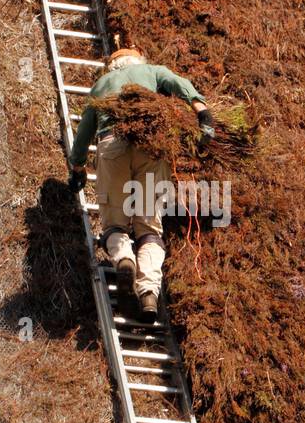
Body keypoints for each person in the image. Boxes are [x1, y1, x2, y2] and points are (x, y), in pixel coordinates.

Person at [67, 47, 214, 321]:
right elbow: (179, 85)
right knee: (149, 227)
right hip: (150, 147)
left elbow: (85, 130)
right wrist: (202, 111)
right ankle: (148, 293)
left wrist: (77, 168)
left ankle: (124, 259)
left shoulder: (100, 85)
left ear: (112, 67)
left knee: (115, 222)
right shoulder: (151, 72)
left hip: (112, 147)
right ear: (138, 61)